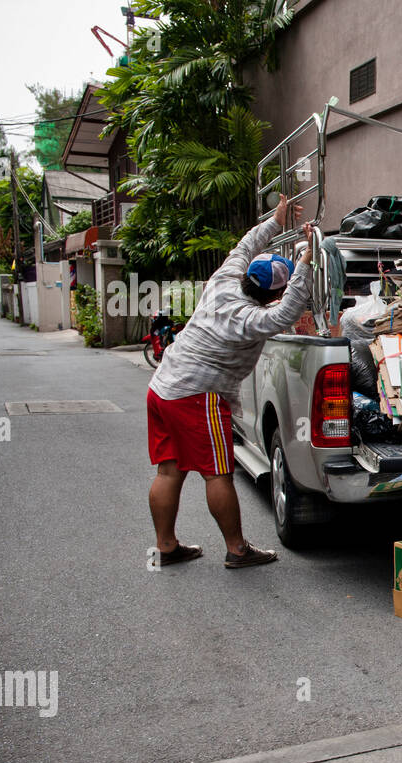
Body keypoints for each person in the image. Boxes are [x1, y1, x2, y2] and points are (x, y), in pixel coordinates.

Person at [146, 194, 313, 568]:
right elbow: (288, 311)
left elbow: (246, 244)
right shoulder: (251, 319)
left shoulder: (224, 279)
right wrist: (305, 263)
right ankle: (237, 550)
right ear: (273, 293)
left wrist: (276, 221)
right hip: (196, 395)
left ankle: (166, 546)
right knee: (218, 473)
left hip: (162, 386)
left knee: (170, 469)